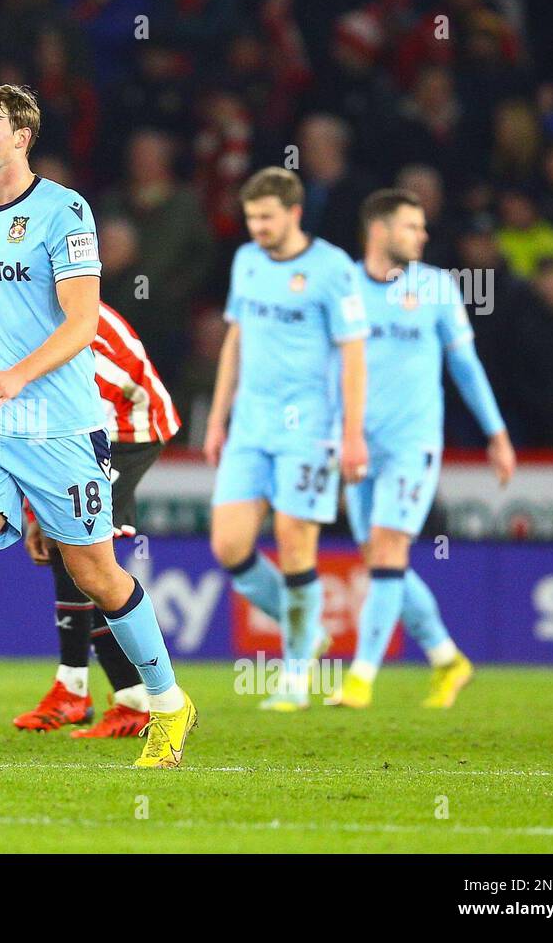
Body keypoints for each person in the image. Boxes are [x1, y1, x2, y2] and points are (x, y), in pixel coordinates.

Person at [0, 83, 196, 768]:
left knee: (96, 576)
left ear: (21, 137)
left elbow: (83, 322)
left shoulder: (64, 211)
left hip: (59, 425)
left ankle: (168, 703)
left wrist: (22, 374)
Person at [0, 238, 182, 738]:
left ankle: (129, 698)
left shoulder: (29, 319)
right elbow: (21, 426)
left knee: (86, 556)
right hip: (76, 425)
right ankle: (87, 691)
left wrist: (44, 508)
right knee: (73, 552)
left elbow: (76, 402)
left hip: (124, 422)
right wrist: (34, 512)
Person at [326, 189, 515, 708]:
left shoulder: (436, 288)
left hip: (414, 445)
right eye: (412, 226)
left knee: (387, 552)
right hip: (359, 446)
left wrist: (496, 435)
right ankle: (447, 659)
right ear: (380, 230)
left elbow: (465, 367)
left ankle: (360, 677)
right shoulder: (344, 288)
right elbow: (327, 368)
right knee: (382, 561)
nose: (424, 235)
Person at [204, 166, 369, 712]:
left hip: (309, 431)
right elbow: (236, 339)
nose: (257, 228)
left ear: (295, 213)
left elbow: (352, 356)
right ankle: (309, 629)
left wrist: (351, 435)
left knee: (296, 543)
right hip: (250, 426)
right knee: (229, 544)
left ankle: (296, 675)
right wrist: (216, 418)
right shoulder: (247, 261)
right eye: (251, 218)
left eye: (267, 218)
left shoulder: (333, 269)